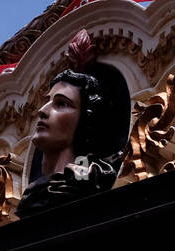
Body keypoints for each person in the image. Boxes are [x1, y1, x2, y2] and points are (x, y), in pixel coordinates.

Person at [16, 70, 122, 218]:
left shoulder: (90, 177)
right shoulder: (32, 193)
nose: (42, 111)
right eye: (47, 101)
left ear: (86, 120)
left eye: (61, 103)